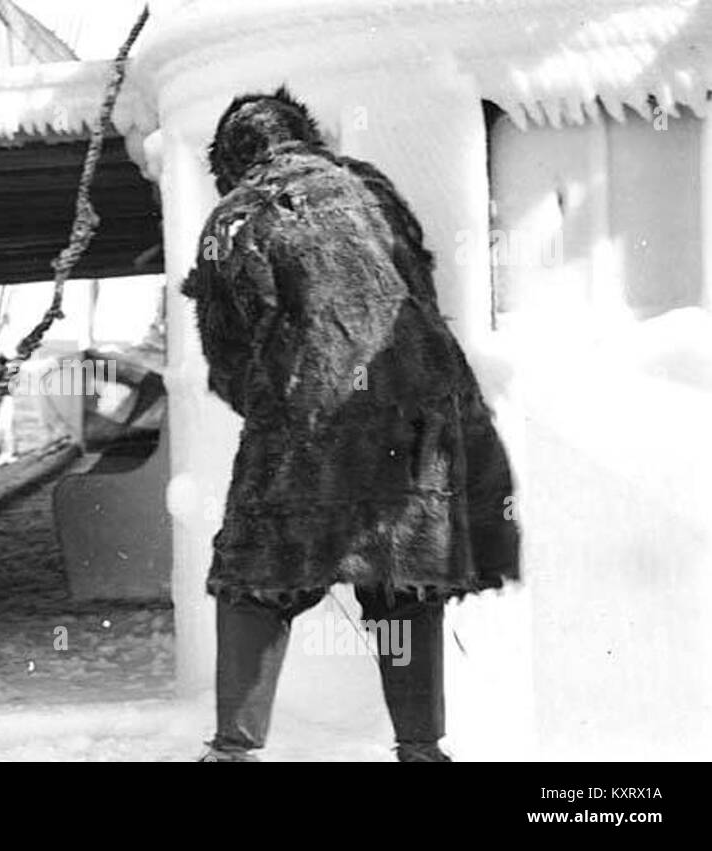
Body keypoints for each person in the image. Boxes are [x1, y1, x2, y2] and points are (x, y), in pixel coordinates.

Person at [181, 87, 521, 762]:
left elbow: (226, 351)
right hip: (422, 414)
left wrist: (277, 403)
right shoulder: (371, 190)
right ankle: (421, 748)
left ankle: (233, 750)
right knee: (403, 577)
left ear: (231, 158)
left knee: (255, 577)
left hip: (309, 416)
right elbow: (417, 288)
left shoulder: (235, 214)